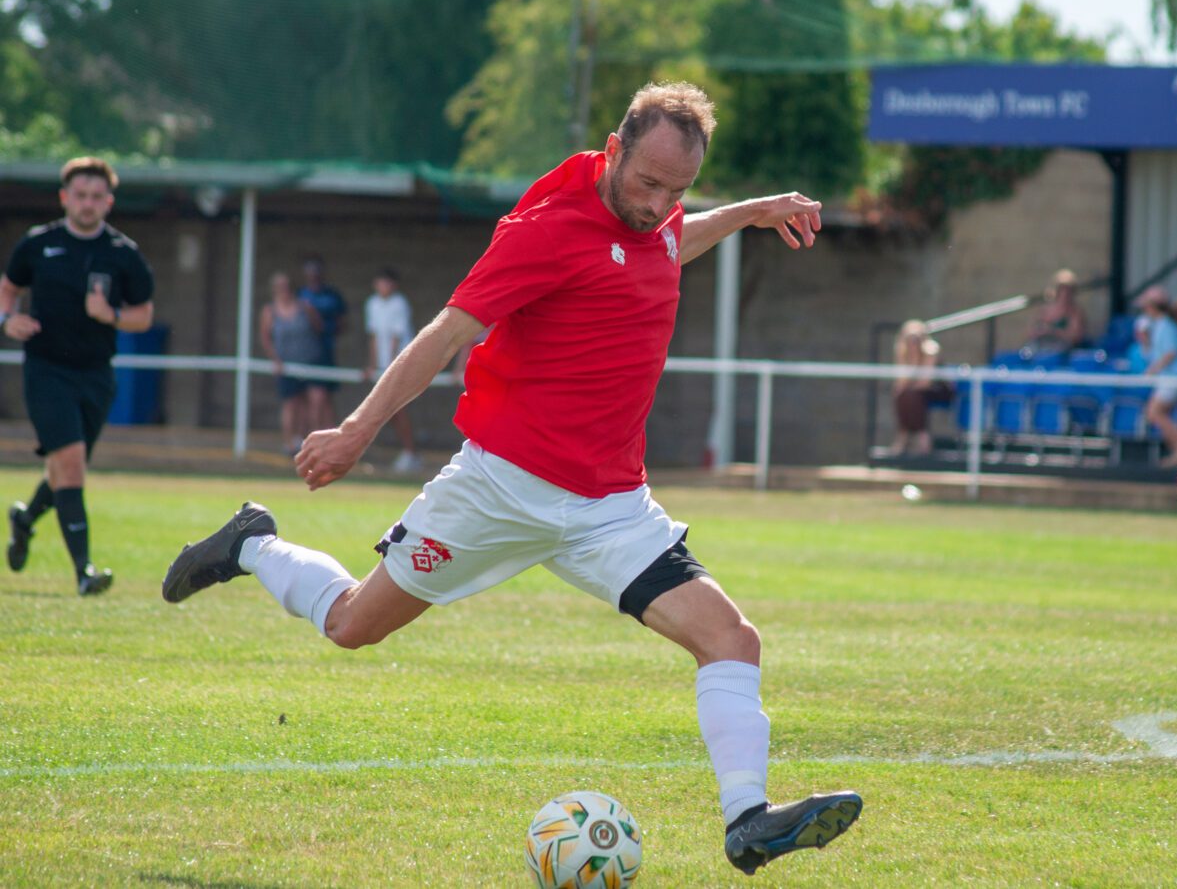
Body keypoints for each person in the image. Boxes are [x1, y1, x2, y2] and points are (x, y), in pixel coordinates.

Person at [160, 82, 862, 875]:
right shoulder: (546, 232)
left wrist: (745, 212)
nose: (659, 203)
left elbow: (668, 240)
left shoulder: (656, 220)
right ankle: (253, 544)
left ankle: (747, 820)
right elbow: (447, 331)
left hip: (610, 508)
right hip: (497, 490)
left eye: (678, 189)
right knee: (354, 623)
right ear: (615, 146)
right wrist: (358, 429)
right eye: (648, 183)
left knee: (731, 638)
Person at [1, 157, 154, 596]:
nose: (87, 204)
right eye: (79, 195)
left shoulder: (123, 254)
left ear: (108, 202)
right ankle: (85, 572)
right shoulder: (37, 244)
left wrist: (112, 315)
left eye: (95, 197)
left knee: (65, 468)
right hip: (46, 370)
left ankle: (25, 519)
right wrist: (7, 318)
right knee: (70, 465)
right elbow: (8, 287)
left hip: (96, 375)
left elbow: (144, 316)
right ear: (64, 198)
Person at [260, 271, 327, 457]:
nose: (283, 291)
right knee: (291, 403)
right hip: (286, 365)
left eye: (286, 287)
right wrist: (276, 360)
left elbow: (319, 328)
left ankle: (313, 444)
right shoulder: (269, 311)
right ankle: (290, 444)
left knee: (314, 401)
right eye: (279, 287)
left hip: (310, 361)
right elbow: (266, 338)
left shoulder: (304, 307)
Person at [364, 266, 421, 472]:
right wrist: (373, 365)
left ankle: (411, 454)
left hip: (398, 365)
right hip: (382, 367)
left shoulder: (400, 304)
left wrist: (390, 366)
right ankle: (406, 453)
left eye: (387, 282)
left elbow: (397, 337)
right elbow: (373, 336)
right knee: (386, 411)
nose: (383, 286)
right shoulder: (372, 304)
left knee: (398, 410)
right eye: (380, 282)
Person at [1139, 287, 1177, 466]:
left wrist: (1153, 369)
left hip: (1174, 378)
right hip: (1168, 378)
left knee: (1154, 412)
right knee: (1157, 413)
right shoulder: (1159, 326)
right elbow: (1153, 352)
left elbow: (1171, 353)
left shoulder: (1166, 325)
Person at [297, 254, 346, 430]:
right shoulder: (301, 295)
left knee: (324, 398)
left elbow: (342, 323)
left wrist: (326, 327)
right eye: (310, 271)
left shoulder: (332, 295)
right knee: (311, 398)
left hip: (325, 352)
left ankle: (329, 436)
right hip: (305, 353)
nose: (313, 275)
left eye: (316, 271)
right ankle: (312, 438)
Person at [890, 319, 944, 457]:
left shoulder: (931, 350)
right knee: (902, 395)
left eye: (916, 338)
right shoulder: (902, 350)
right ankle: (916, 436)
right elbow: (901, 382)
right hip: (914, 392)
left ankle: (907, 436)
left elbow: (925, 382)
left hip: (938, 390)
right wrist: (911, 357)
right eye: (909, 338)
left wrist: (916, 357)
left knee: (912, 395)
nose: (913, 342)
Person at [1022, 268, 1088, 352]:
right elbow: (1030, 332)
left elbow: (1076, 337)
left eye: (1068, 290)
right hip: (1040, 345)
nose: (1064, 293)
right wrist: (1041, 331)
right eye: (1061, 289)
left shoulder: (1075, 312)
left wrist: (1054, 332)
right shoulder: (1044, 310)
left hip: (1062, 350)